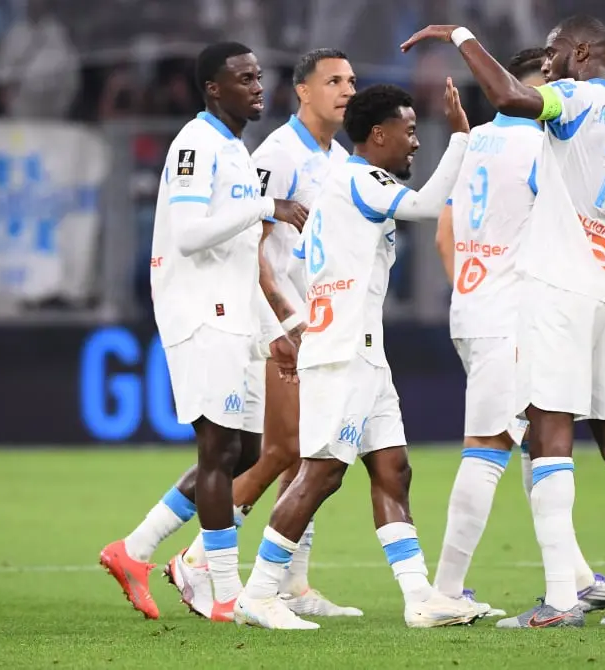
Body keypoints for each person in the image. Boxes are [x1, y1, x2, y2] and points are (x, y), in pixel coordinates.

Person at [401, 15, 605, 628]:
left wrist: (461, 36)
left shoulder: (564, 104)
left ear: (580, 50)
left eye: (553, 54)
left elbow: (507, 96)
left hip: (546, 294)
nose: (548, 66)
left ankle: (559, 600)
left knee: (546, 437)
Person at [234, 82, 478, 630]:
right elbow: (426, 206)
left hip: (363, 350)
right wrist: (460, 138)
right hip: (344, 352)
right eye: (409, 131)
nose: (416, 142)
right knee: (321, 474)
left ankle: (419, 597)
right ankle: (259, 593)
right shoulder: (363, 179)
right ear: (379, 134)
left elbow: (310, 261)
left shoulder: (340, 185)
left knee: (393, 468)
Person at [99, 41, 308, 623]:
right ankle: (224, 593)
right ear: (214, 89)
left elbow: (239, 255)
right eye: (244, 78)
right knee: (218, 449)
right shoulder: (194, 144)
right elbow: (190, 235)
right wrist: (264, 207)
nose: (258, 87)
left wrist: (274, 329)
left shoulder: (234, 150)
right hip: (198, 312)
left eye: (259, 77)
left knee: (243, 453)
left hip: (234, 314)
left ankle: (134, 550)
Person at [431, 46, 605, 619]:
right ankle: (445, 591)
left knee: (536, 441)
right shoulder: (543, 145)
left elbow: (445, 234)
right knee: (490, 445)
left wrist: (475, 292)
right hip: (514, 315)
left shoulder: (475, 142)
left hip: (473, 306)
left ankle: (577, 578)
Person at [171, 47, 363, 620]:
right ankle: (202, 564)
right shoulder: (275, 153)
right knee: (279, 450)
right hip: (269, 319)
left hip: (315, 321)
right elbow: (247, 240)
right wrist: (281, 317)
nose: (348, 91)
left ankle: (289, 583)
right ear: (304, 91)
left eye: (352, 81)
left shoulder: (335, 157)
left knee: (300, 452)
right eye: (334, 81)